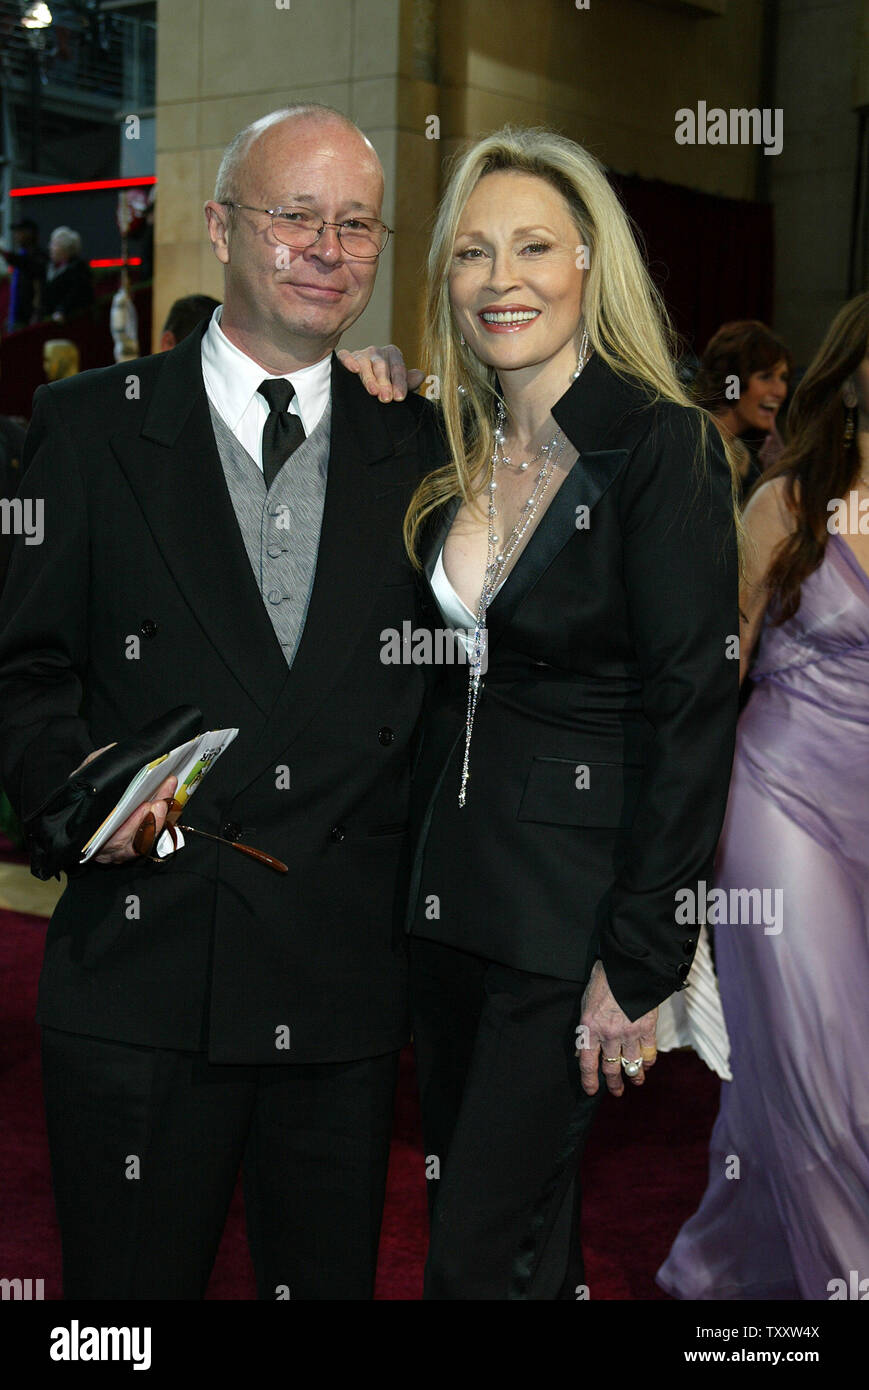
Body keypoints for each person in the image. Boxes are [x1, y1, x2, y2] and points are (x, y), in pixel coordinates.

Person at [0, 103, 444, 1300]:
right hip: (146, 968)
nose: (326, 245)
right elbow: (26, 667)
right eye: (293, 213)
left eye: (354, 223)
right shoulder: (92, 428)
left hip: (337, 983)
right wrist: (86, 803)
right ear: (217, 226)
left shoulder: (417, 444)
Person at [399, 126, 741, 1299]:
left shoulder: (661, 445)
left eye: (533, 246)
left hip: (570, 920)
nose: (502, 280)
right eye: (472, 253)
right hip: (443, 904)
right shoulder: (448, 446)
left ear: (590, 260)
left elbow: (692, 710)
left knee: (472, 1256)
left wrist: (638, 959)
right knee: (516, 1237)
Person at [657, 291, 869, 1301]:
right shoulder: (782, 501)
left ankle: (730, 1276)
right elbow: (715, 673)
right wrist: (671, 837)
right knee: (829, 1080)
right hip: (780, 810)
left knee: (786, 1085)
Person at [694, 320, 792, 504]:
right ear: (732, 381)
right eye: (766, 377)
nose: (780, 391)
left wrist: (776, 472)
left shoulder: (745, 456)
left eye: (783, 378)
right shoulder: (691, 443)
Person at [2, 218, 48, 330]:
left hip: (30, 317)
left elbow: (25, 264)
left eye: (19, 232)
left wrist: (37, 312)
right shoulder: (22, 255)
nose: (16, 236)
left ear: (30, 233)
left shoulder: (38, 257)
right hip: (17, 317)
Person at [43, 227, 94, 322]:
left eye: (54, 244)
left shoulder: (79, 270)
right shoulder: (50, 267)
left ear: (65, 249)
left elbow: (77, 294)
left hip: (72, 321)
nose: (50, 247)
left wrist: (62, 311)